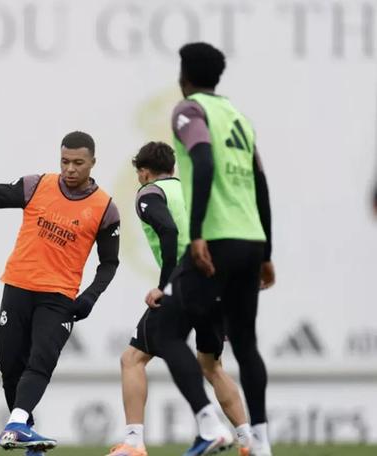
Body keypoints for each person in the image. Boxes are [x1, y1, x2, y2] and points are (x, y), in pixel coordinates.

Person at [0, 131, 120, 455]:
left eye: (78, 163)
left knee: (41, 358)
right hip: (17, 287)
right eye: (65, 161)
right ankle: (27, 436)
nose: (70, 169)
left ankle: (15, 424)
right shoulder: (37, 185)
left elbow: (109, 263)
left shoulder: (105, 208)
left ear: (93, 163)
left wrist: (90, 297)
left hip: (59, 297)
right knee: (10, 364)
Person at [170, 42, 275, 456]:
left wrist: (196, 233)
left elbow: (203, 160)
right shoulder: (238, 119)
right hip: (250, 240)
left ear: (184, 77)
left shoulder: (189, 110)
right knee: (246, 344)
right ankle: (261, 442)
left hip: (215, 240)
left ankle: (209, 423)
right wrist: (267, 251)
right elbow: (261, 185)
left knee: (165, 331)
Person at [105, 141, 191, 456]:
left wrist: (165, 286)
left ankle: (134, 442)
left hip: (180, 286)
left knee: (132, 359)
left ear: (143, 173)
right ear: (172, 167)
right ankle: (250, 440)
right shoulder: (187, 191)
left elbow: (168, 231)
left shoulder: (150, 193)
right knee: (213, 365)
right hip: (209, 284)